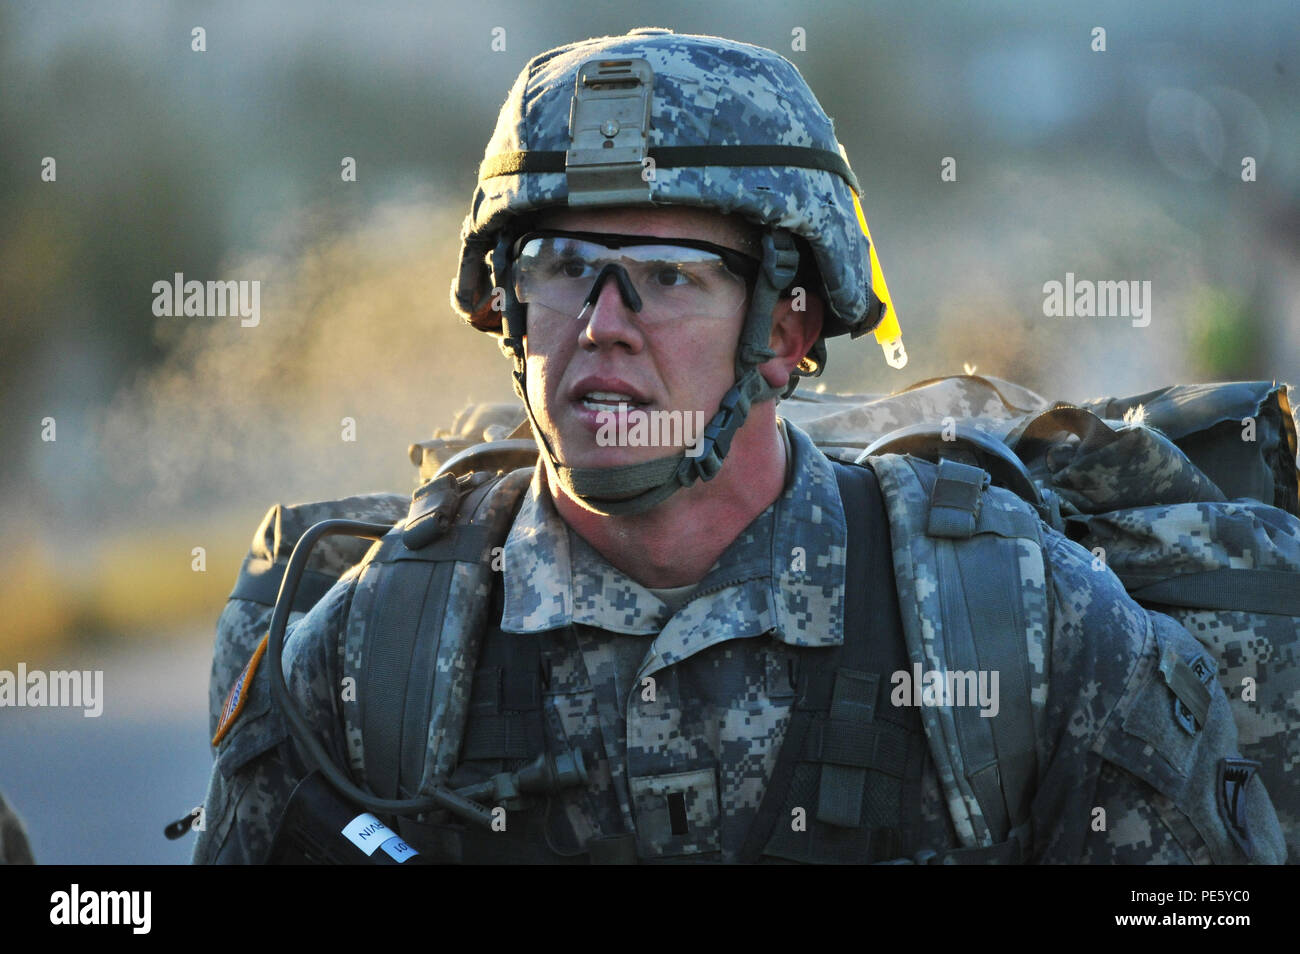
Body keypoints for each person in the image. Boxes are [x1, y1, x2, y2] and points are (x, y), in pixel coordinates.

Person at [193, 28, 1285, 864]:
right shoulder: (371, 656)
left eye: (666, 275)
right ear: (508, 311)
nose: (599, 322)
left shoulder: (1013, 624)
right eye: (561, 268)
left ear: (789, 329)